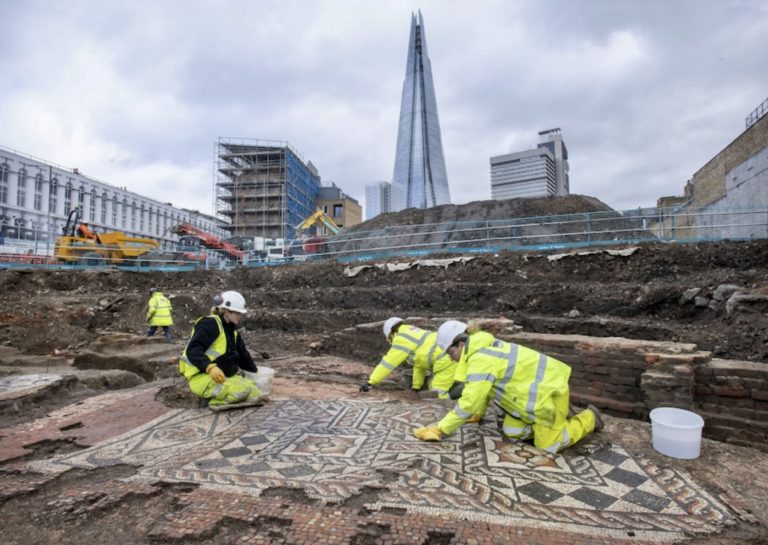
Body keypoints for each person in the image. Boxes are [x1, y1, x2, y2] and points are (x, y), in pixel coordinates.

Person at [413, 320, 603, 453]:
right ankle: (554, 421)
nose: (449, 357)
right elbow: (484, 391)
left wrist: (440, 429)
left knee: (548, 446)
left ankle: (589, 418)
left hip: (549, 394)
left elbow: (470, 400)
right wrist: (477, 414)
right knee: (512, 432)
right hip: (530, 400)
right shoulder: (481, 350)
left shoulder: (480, 358)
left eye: (449, 352)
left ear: (461, 344)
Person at [178, 290, 263, 410]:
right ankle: (214, 402)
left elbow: (243, 354)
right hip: (203, 376)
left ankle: (226, 396)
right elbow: (193, 349)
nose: (240, 316)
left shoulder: (232, 331)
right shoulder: (209, 324)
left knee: (256, 393)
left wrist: (256, 372)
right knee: (241, 391)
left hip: (224, 376)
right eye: (238, 313)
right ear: (227, 311)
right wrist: (210, 367)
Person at [359, 317, 458, 398]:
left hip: (448, 358)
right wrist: (416, 387)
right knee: (435, 390)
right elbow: (420, 364)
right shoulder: (413, 332)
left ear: (390, 335)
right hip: (451, 354)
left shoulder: (402, 338)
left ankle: (451, 415)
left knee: (436, 395)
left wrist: (370, 382)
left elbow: (388, 363)